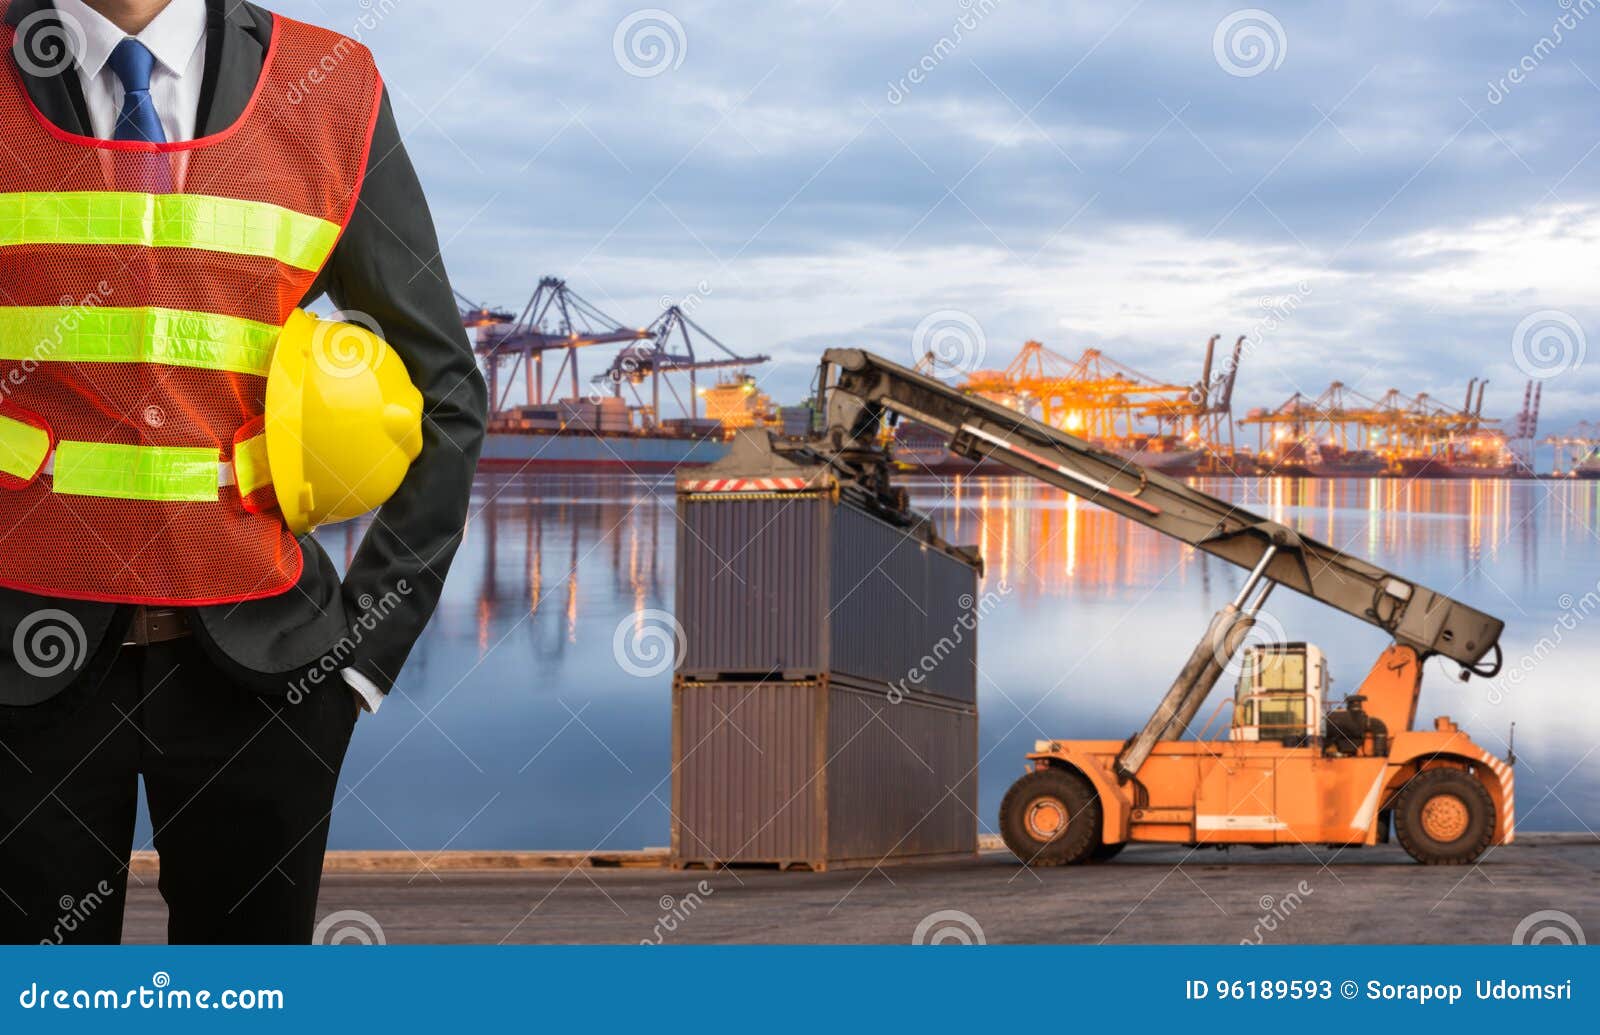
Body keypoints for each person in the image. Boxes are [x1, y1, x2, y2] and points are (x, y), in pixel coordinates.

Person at [0, 0, 486, 943]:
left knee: (246, 1000)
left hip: (270, 674)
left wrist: (363, 658)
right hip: (15, 666)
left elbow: (447, 392)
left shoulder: (333, 87)